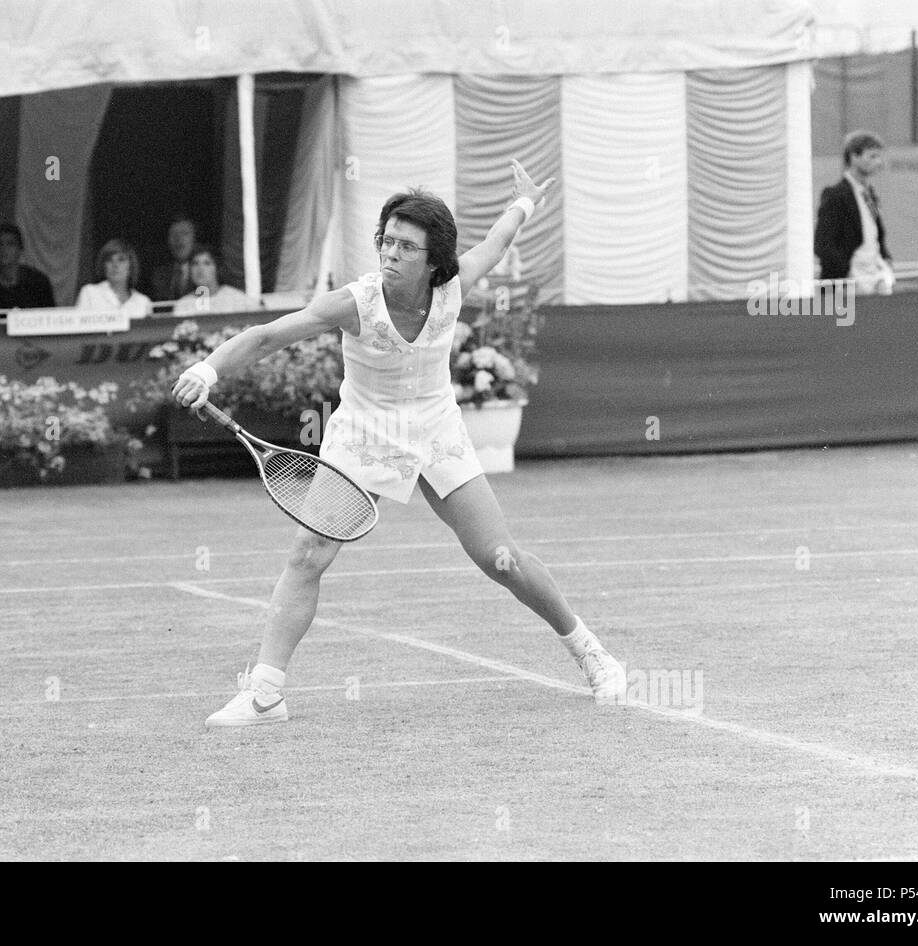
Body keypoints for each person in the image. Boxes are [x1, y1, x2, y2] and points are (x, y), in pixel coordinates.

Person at [173, 160, 628, 727]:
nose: (389, 253)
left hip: (437, 430)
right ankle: (266, 692)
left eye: (406, 246)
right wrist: (209, 370)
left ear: (433, 259)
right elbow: (267, 336)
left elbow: (498, 238)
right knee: (308, 555)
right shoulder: (353, 303)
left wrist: (527, 202)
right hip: (363, 436)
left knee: (499, 558)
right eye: (386, 241)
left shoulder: (454, 284)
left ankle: (593, 654)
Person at [814, 130, 894, 294]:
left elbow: (875, 234)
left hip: (875, 279)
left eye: (879, 156)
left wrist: (885, 260)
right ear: (854, 157)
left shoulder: (869, 194)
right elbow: (823, 244)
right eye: (872, 156)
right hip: (850, 283)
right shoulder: (835, 195)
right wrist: (846, 273)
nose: (878, 162)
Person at [171, 245, 262, 316]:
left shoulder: (236, 298)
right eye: (195, 264)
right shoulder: (183, 305)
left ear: (217, 268)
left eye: (207, 263)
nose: (200, 269)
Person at [75, 238, 153, 319]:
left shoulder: (143, 302)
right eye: (109, 260)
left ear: (131, 266)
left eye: (121, 260)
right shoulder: (90, 293)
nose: (115, 265)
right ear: (104, 266)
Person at [148, 215, 198, 302]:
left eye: (184, 233)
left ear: (194, 239)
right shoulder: (158, 275)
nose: (179, 239)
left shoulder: (204, 272)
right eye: (174, 234)